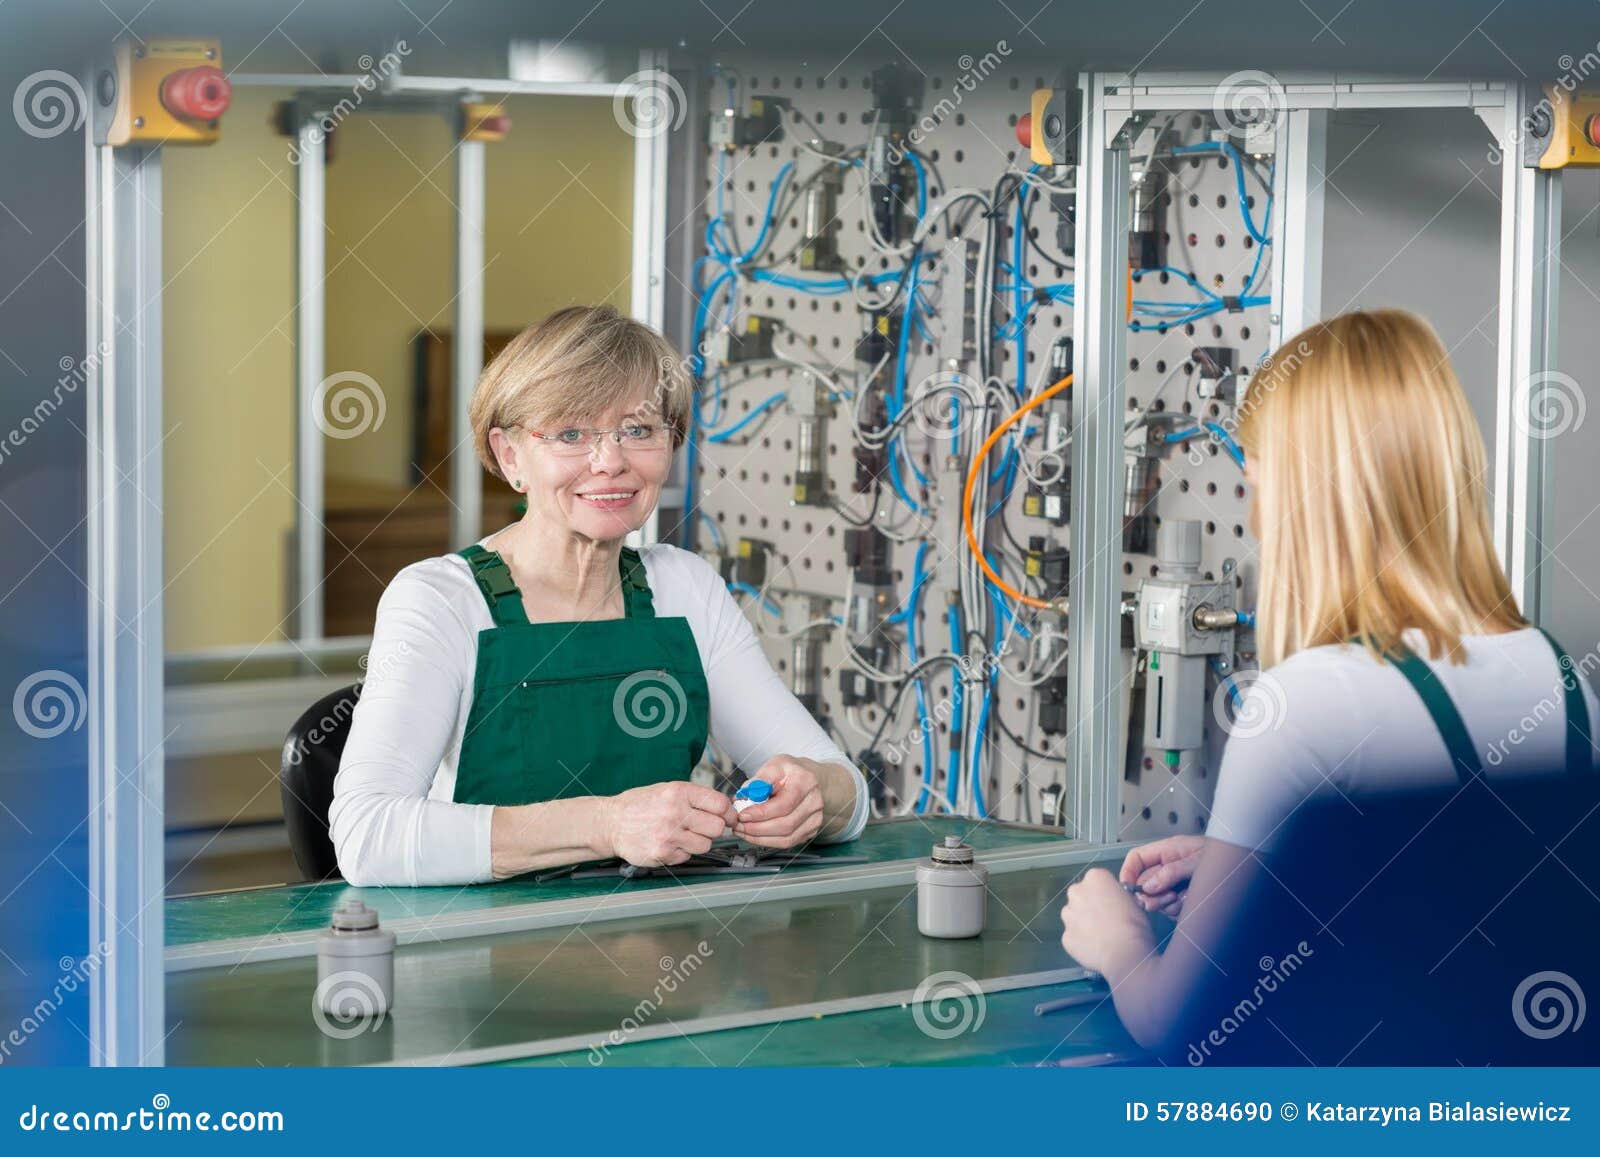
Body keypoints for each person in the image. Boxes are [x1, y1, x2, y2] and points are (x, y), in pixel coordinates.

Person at [1058, 308, 1600, 1050]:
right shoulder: (1563, 678)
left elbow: (1179, 1029)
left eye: (1257, 484)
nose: (1255, 521)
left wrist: (1116, 940)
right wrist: (1267, 866)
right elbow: (1463, 884)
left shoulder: (1308, 702)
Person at [330, 305, 868, 886]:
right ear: (510, 456)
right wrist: (608, 823)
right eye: (570, 434)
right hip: (482, 953)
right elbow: (367, 837)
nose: (610, 461)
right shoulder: (440, 601)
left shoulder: (684, 589)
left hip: (654, 946)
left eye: (638, 430)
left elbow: (851, 796)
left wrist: (814, 796)